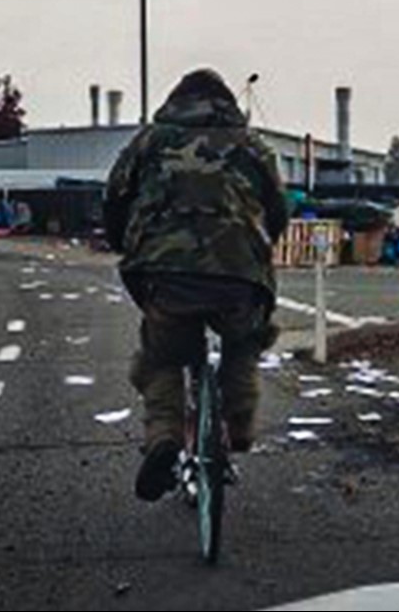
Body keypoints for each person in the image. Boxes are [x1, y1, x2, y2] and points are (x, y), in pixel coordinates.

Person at [104, 68, 288, 502]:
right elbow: (278, 207)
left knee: (162, 358)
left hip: (165, 273)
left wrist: (123, 242)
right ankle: (237, 426)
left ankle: (165, 435)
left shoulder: (150, 141)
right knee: (244, 344)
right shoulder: (252, 145)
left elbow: (115, 197)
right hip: (239, 275)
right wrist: (258, 247)